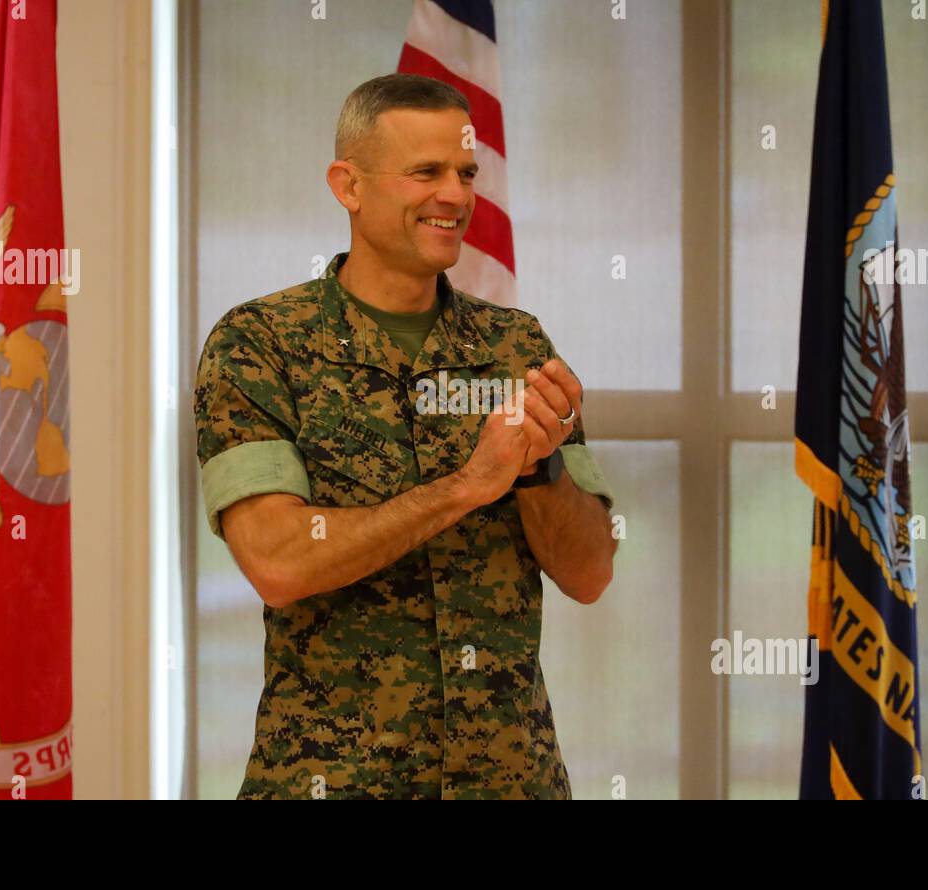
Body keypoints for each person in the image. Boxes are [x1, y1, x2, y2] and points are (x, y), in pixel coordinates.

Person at [194, 73, 617, 799]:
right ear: (348, 185)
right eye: (426, 172)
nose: (455, 195)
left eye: (465, 173)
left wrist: (537, 473)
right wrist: (467, 486)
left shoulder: (517, 348)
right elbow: (277, 559)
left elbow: (590, 572)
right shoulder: (260, 344)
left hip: (509, 780)